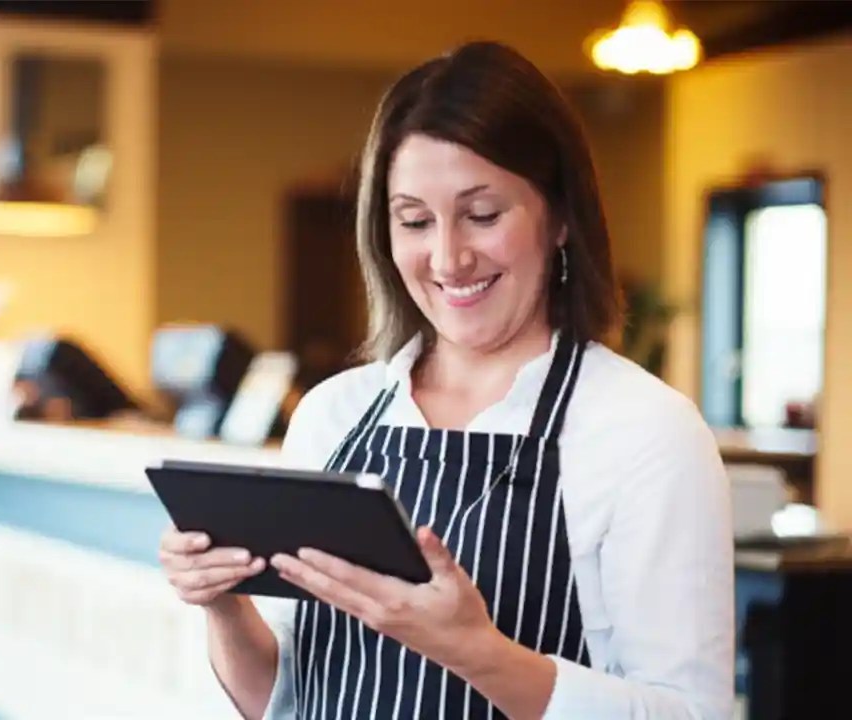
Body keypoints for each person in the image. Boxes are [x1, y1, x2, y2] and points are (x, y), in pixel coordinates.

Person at [158, 39, 734, 720]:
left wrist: (477, 651)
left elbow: (692, 715)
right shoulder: (333, 416)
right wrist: (223, 605)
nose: (448, 257)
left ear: (559, 217)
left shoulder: (645, 433)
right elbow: (286, 703)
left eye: (483, 214)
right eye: (414, 221)